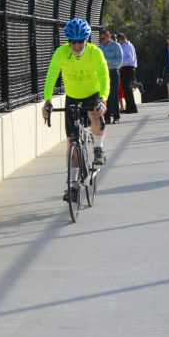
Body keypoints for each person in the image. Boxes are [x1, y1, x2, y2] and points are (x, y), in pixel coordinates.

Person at [42, 17, 109, 202]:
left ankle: (98, 148)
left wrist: (103, 99)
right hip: (72, 96)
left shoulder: (95, 53)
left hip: (92, 94)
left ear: (86, 40)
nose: (77, 45)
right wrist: (47, 101)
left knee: (97, 119)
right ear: (68, 41)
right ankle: (72, 185)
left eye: (81, 41)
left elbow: (104, 76)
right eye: (73, 42)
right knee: (72, 142)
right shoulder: (61, 52)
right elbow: (51, 75)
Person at [97, 26, 122, 124]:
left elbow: (119, 61)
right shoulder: (100, 48)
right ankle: (106, 117)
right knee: (104, 95)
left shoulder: (116, 46)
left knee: (114, 95)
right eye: (101, 39)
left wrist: (106, 61)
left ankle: (116, 117)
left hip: (113, 72)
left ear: (108, 37)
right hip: (103, 73)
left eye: (103, 38)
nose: (102, 40)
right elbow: (98, 62)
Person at [116, 33, 139, 113]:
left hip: (128, 68)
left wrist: (121, 63)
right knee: (126, 89)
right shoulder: (124, 46)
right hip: (125, 68)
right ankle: (129, 107)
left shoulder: (128, 46)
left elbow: (130, 59)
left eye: (118, 40)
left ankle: (132, 107)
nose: (118, 42)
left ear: (122, 39)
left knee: (128, 89)